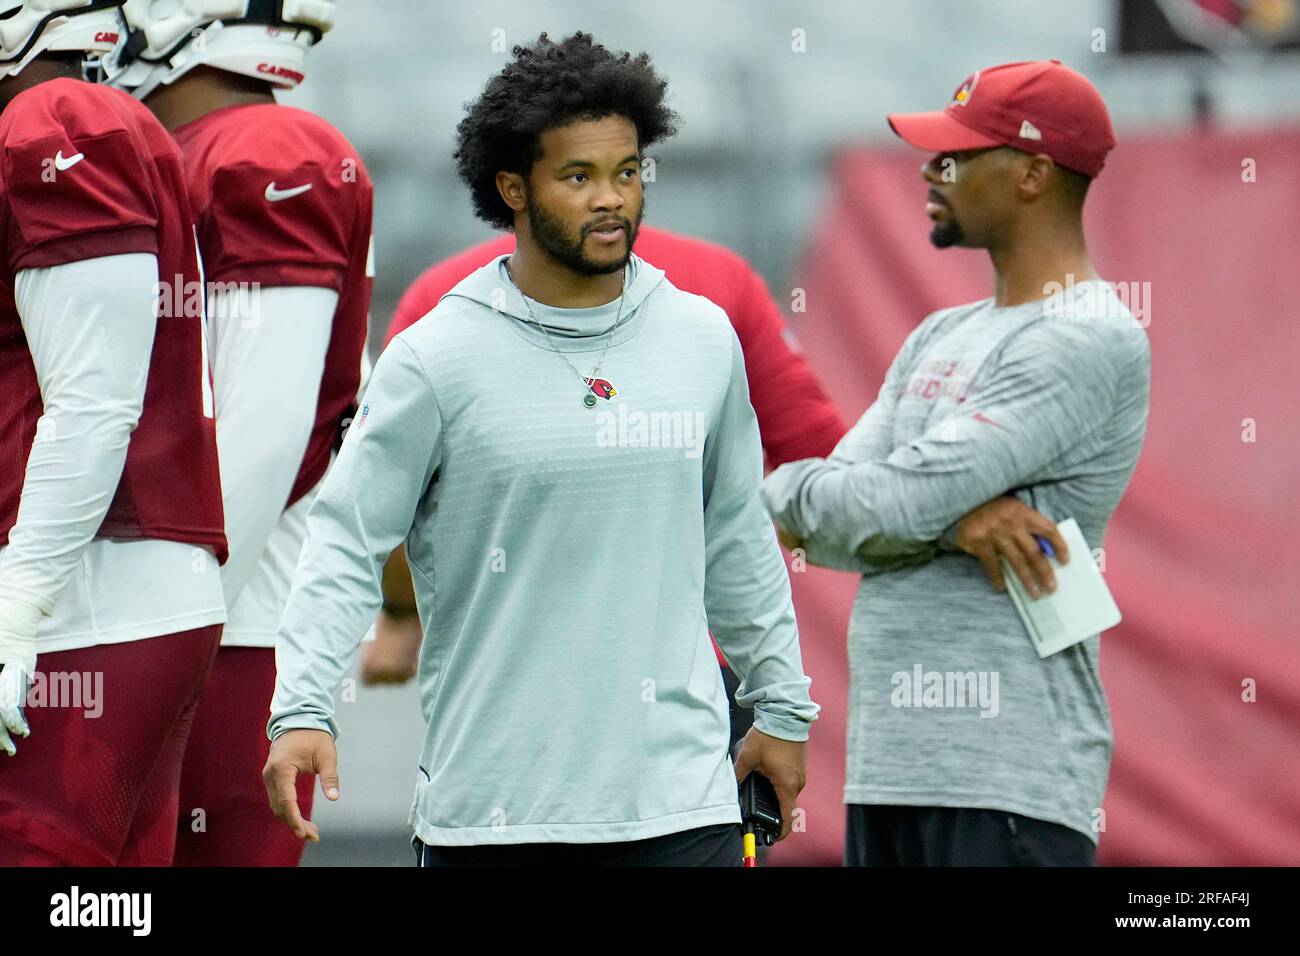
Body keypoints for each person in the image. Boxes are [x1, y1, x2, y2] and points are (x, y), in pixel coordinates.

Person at [264, 31, 818, 866]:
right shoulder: (436, 355)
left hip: (682, 810)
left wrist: (780, 708)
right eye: (579, 176)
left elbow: (738, 538)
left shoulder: (704, 337)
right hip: (494, 814)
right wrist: (303, 707)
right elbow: (344, 542)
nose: (612, 200)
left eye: (628, 172)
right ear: (512, 188)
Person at [763, 60, 1151, 866]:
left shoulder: (1085, 338)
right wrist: (959, 518)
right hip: (888, 774)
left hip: (1007, 782)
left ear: (1035, 175)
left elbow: (888, 508)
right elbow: (808, 513)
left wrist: (914, 509)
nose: (930, 171)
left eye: (959, 155)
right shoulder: (938, 334)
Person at [362, 226, 849, 761]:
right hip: (690, 679)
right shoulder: (718, 284)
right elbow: (823, 478)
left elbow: (390, 496)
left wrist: (403, 617)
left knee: (511, 841)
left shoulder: (442, 292)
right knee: (700, 840)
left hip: (504, 676)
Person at [107, 0, 371, 866]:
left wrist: (173, 616)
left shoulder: (263, 150)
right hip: (178, 600)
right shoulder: (181, 150)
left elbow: (266, 424)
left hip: (226, 621)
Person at [0, 0, 227, 865]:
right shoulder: (90, 118)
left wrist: (17, 606)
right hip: (118, 593)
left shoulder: (57, 119)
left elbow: (94, 402)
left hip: (82, 597)